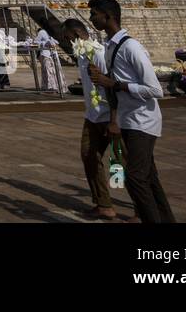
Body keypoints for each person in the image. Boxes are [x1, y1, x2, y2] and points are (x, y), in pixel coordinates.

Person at [85, 0, 176, 224]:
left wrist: (114, 83)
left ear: (108, 16)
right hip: (127, 119)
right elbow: (113, 88)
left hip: (143, 120)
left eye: (94, 14)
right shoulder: (109, 47)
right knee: (149, 177)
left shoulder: (131, 47)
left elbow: (155, 89)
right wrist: (103, 81)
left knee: (135, 178)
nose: (91, 18)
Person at [61, 18, 117, 220]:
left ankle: (141, 208)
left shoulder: (100, 54)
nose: (66, 42)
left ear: (75, 35)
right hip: (93, 115)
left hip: (111, 116)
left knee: (121, 163)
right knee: (89, 155)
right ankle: (103, 203)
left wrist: (114, 120)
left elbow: (113, 87)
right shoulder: (83, 56)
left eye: (67, 38)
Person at [35, 26, 62, 93]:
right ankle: (53, 87)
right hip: (50, 54)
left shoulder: (42, 32)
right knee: (52, 71)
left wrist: (48, 43)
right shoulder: (47, 33)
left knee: (49, 71)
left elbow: (35, 42)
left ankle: (51, 87)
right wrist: (47, 43)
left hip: (47, 54)